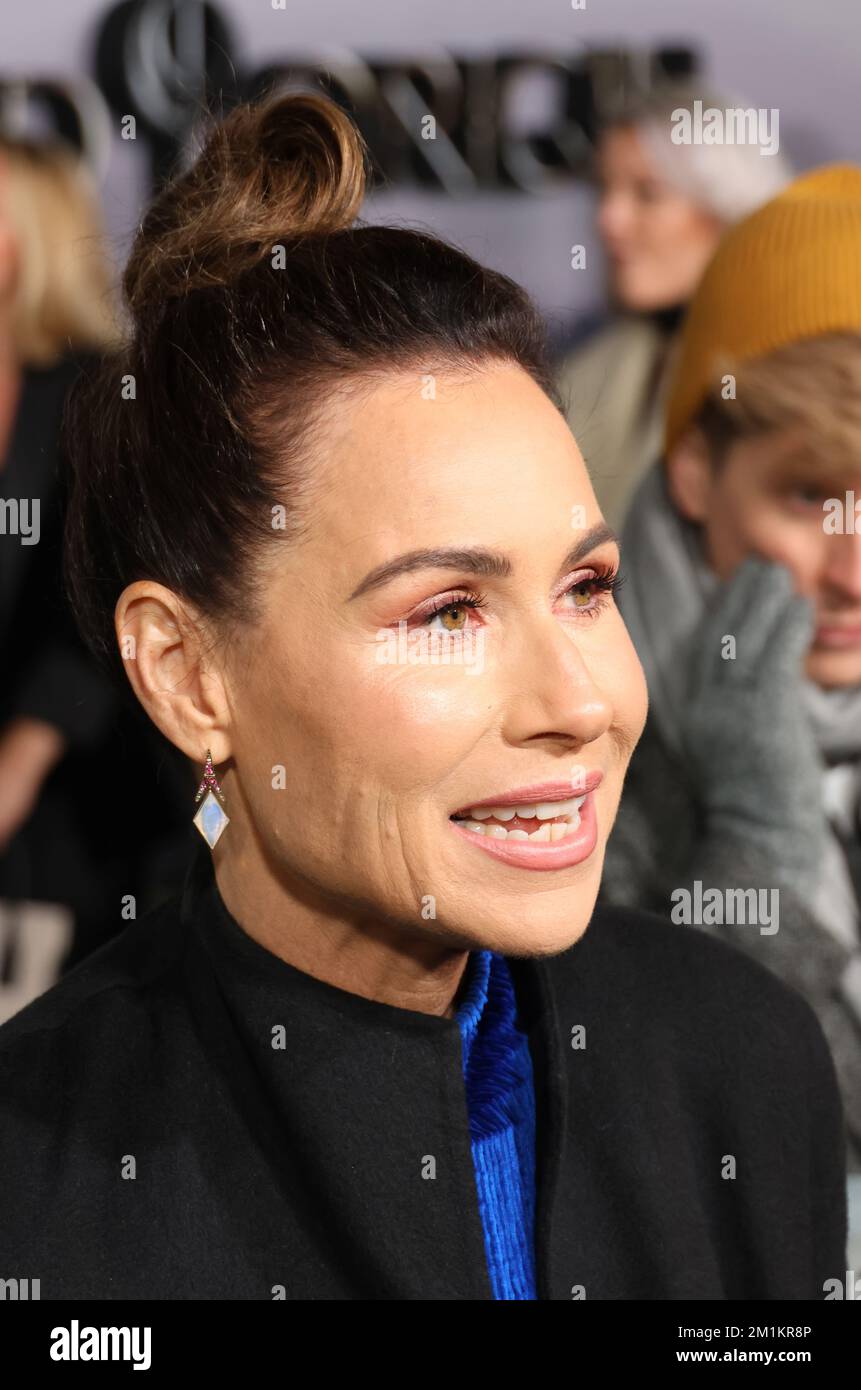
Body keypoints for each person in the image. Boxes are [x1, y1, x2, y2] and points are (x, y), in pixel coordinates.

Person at [0, 92, 847, 1300]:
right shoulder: (36, 1185)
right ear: (187, 674)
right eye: (447, 611)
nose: (580, 702)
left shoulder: (741, 1063)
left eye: (587, 587)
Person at [603, 166, 861, 1189]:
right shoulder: (574, 735)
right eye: (809, 496)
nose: (852, 572)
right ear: (696, 471)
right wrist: (757, 833)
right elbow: (664, 1136)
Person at [0, 135, 192, 1004]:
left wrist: (22, 757)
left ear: (26, 245)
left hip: (88, 820)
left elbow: (107, 590)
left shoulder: (102, 397)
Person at [555, 83, 791, 529]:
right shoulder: (593, 367)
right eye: (604, 189)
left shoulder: (791, 378)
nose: (609, 220)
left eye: (648, 193)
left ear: (726, 210)